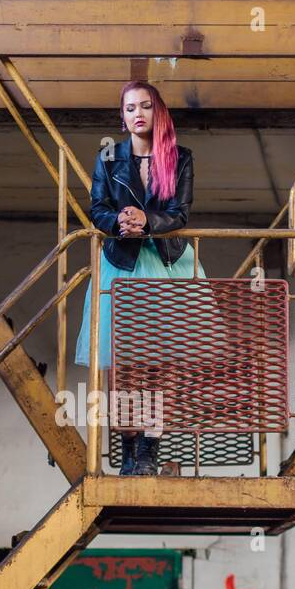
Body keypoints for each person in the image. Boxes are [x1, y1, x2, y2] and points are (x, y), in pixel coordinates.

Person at [74, 79, 205, 475]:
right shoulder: (109, 156)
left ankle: (150, 447)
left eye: (144, 106)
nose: (137, 114)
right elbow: (96, 208)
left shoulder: (180, 157)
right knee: (123, 366)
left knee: (161, 365)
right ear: (122, 115)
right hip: (122, 264)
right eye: (129, 108)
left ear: (158, 111)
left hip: (168, 263)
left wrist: (148, 221)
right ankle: (129, 447)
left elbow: (180, 214)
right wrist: (118, 221)